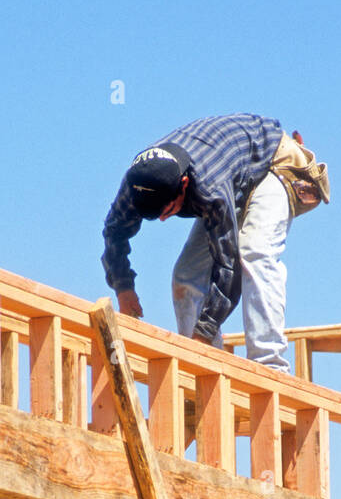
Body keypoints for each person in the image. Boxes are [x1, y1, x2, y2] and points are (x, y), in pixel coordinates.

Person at [101, 113, 329, 373]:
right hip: (234, 173)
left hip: (271, 164)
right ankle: (201, 372)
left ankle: (270, 368)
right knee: (185, 277)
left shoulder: (210, 188)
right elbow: (114, 233)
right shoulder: (137, 183)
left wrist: (204, 332)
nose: (164, 220)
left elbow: (227, 269)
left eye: (170, 210)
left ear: (184, 185)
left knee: (254, 253)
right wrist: (123, 287)